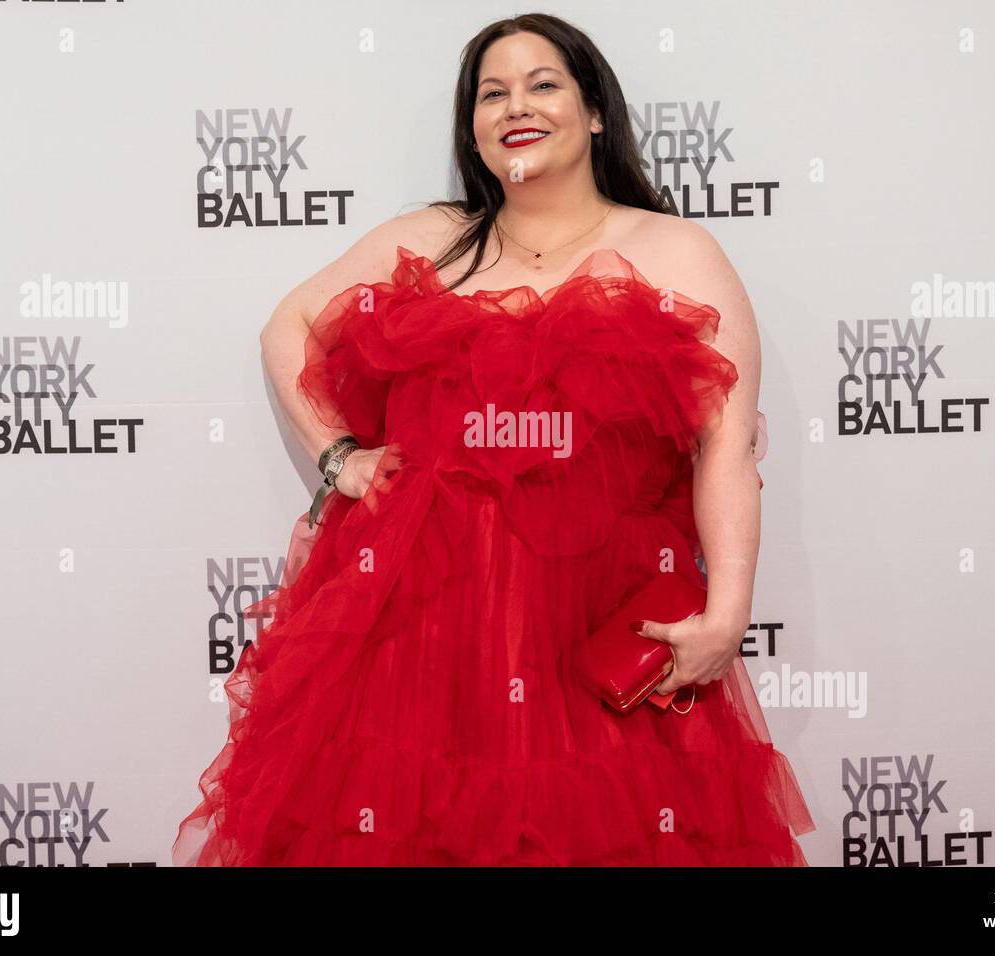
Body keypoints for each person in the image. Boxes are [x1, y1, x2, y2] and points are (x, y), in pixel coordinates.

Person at [172, 11, 815, 866]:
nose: (517, 105)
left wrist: (727, 613)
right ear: (472, 130)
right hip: (421, 633)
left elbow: (725, 445)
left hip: (598, 627)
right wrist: (338, 457)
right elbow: (287, 325)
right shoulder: (430, 240)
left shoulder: (675, 252)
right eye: (492, 93)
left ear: (594, 112)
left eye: (544, 84)